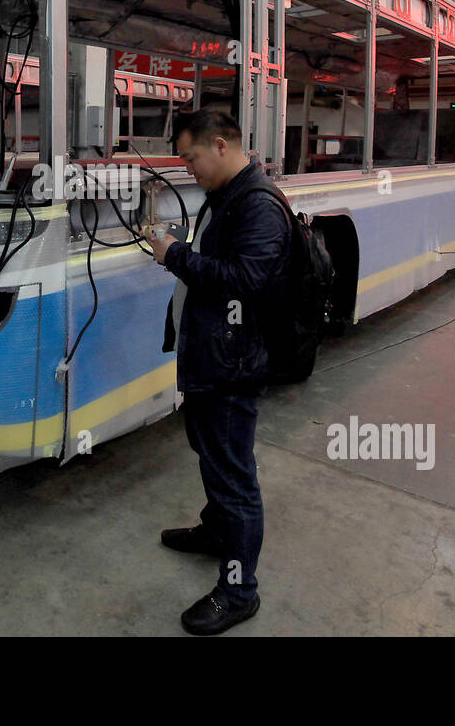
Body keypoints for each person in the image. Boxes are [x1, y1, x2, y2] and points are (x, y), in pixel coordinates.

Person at [142, 108, 291, 635]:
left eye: (192, 156)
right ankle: (214, 533)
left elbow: (244, 280)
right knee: (211, 453)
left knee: (234, 476)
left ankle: (239, 590)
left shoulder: (257, 205)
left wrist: (174, 255)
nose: (188, 168)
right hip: (213, 356)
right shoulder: (227, 195)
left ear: (222, 145)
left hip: (233, 367)